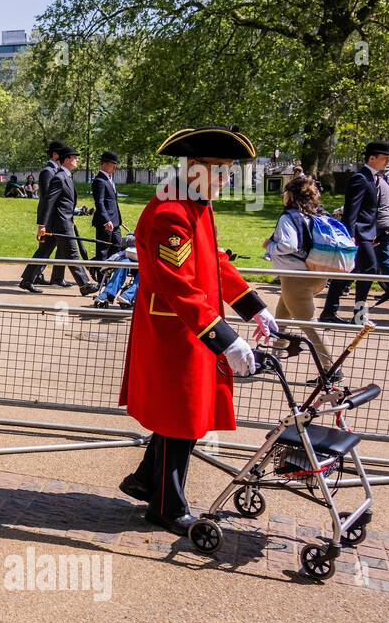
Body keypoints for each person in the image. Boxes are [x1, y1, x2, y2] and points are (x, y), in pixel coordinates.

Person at [118, 126, 278, 532]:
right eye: (220, 171)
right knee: (181, 417)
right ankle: (167, 506)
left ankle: (145, 479)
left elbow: (215, 263)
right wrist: (226, 338)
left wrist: (253, 307)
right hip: (177, 332)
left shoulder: (195, 206)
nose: (225, 180)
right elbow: (180, 287)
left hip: (192, 329)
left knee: (181, 414)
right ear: (194, 169)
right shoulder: (172, 213)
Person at [318, 140, 389, 326]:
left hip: (367, 234)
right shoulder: (360, 178)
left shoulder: (373, 178)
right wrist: (348, 236)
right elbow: (351, 211)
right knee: (369, 269)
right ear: (372, 158)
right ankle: (358, 315)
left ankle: (332, 312)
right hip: (358, 235)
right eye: (384, 158)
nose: (387, 162)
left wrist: (373, 233)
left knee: (350, 272)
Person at [263, 175, 337, 372]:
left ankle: (332, 370)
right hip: (316, 275)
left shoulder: (289, 217)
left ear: (290, 195)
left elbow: (289, 244)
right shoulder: (318, 214)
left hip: (297, 279)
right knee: (281, 319)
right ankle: (273, 358)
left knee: (310, 327)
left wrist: (270, 246)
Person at [19, 144, 97, 295]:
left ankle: (27, 280)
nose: (76, 160)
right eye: (74, 157)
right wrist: (42, 224)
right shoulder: (59, 177)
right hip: (61, 224)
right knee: (72, 253)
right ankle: (84, 284)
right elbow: (48, 201)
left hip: (61, 223)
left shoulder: (65, 176)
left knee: (44, 251)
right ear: (67, 159)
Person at [91, 151, 123, 265]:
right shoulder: (99, 180)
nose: (115, 167)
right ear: (104, 164)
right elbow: (99, 203)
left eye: (116, 164)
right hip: (105, 222)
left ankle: (109, 272)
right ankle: (100, 277)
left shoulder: (109, 179)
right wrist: (106, 220)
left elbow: (112, 201)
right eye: (112, 164)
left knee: (118, 246)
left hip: (115, 221)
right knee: (103, 250)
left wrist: (118, 219)